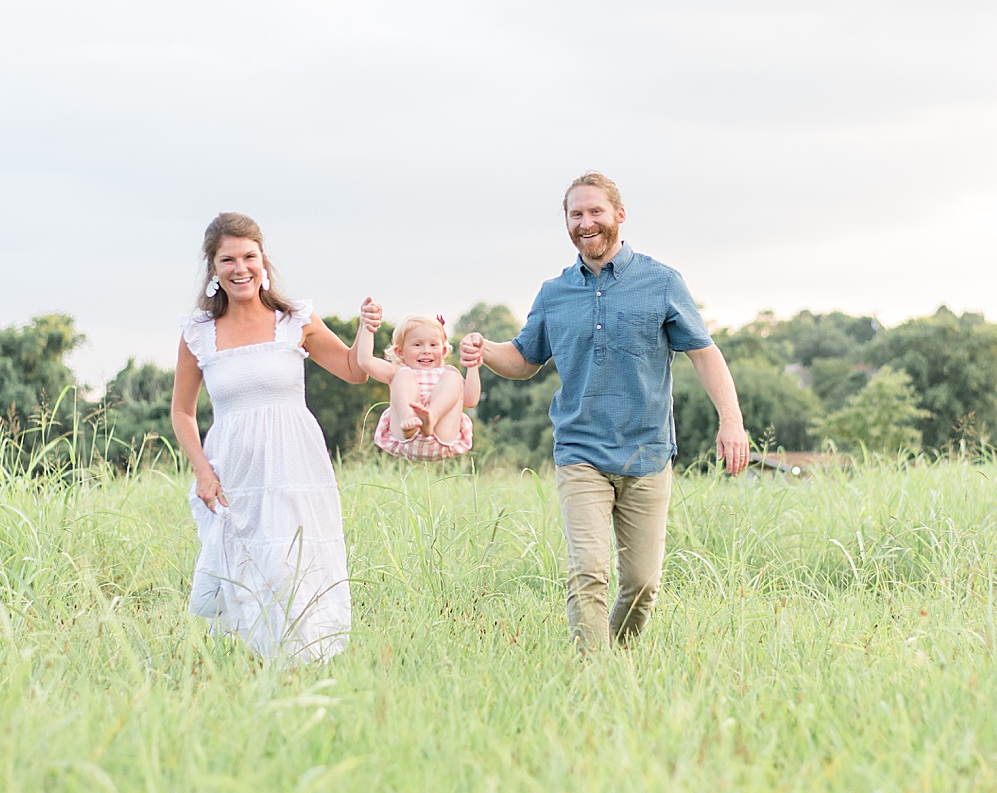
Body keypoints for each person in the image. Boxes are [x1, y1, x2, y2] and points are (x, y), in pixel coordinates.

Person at [459, 172, 749, 652]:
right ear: (567, 223)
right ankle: (594, 679)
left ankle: (614, 657)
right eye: (576, 214)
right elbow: (524, 360)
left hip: (647, 452)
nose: (586, 222)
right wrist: (482, 348)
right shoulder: (555, 293)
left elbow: (704, 353)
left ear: (619, 215)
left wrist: (731, 421)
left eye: (595, 211)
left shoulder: (661, 282)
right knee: (588, 573)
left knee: (642, 585)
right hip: (580, 452)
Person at [170, 212, 379, 667]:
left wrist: (367, 328)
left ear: (263, 261)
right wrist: (203, 474)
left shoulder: (295, 320)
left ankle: (301, 664)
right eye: (228, 259)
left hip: (294, 465)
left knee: (293, 562)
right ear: (213, 269)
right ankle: (250, 666)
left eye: (249, 256)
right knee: (243, 567)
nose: (240, 268)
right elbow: (182, 411)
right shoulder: (198, 334)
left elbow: (353, 371)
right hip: (232, 470)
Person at [351, 301, 480, 461]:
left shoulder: (447, 374)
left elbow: (471, 400)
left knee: (452, 376)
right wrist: (367, 326)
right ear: (400, 352)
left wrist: (473, 366)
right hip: (405, 435)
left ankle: (432, 416)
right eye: (417, 345)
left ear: (444, 350)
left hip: (443, 434)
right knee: (404, 375)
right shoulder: (398, 373)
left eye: (433, 345)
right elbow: (365, 361)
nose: (426, 351)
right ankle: (409, 419)